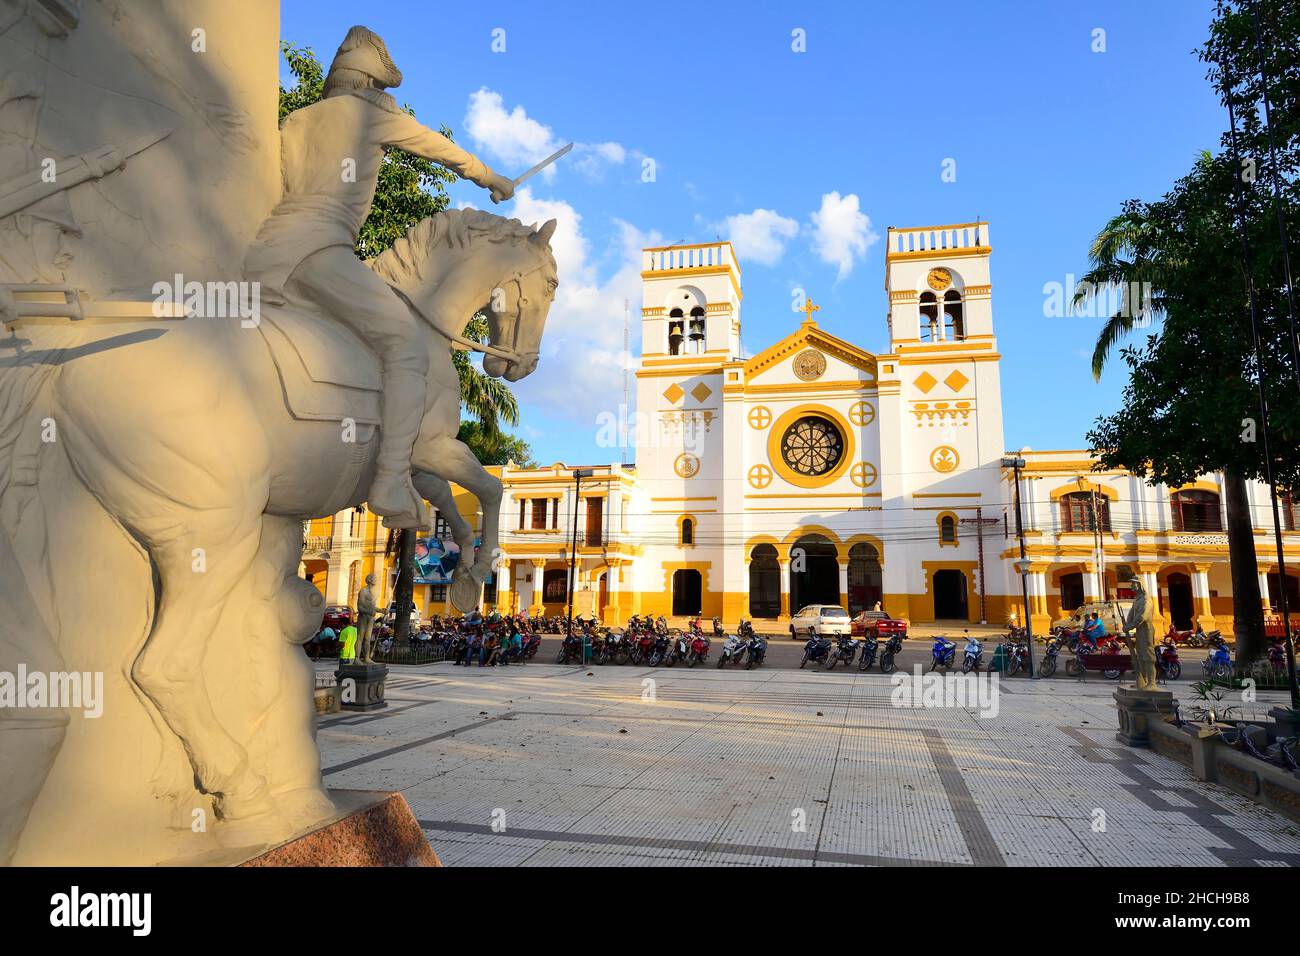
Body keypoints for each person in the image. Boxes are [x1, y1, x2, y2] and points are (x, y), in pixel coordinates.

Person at [244, 26, 515, 528]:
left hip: (265, 256)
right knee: (406, 345)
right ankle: (391, 478)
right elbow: (438, 148)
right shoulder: (370, 117)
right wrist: (490, 176)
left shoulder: (297, 121)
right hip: (321, 249)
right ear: (372, 83)